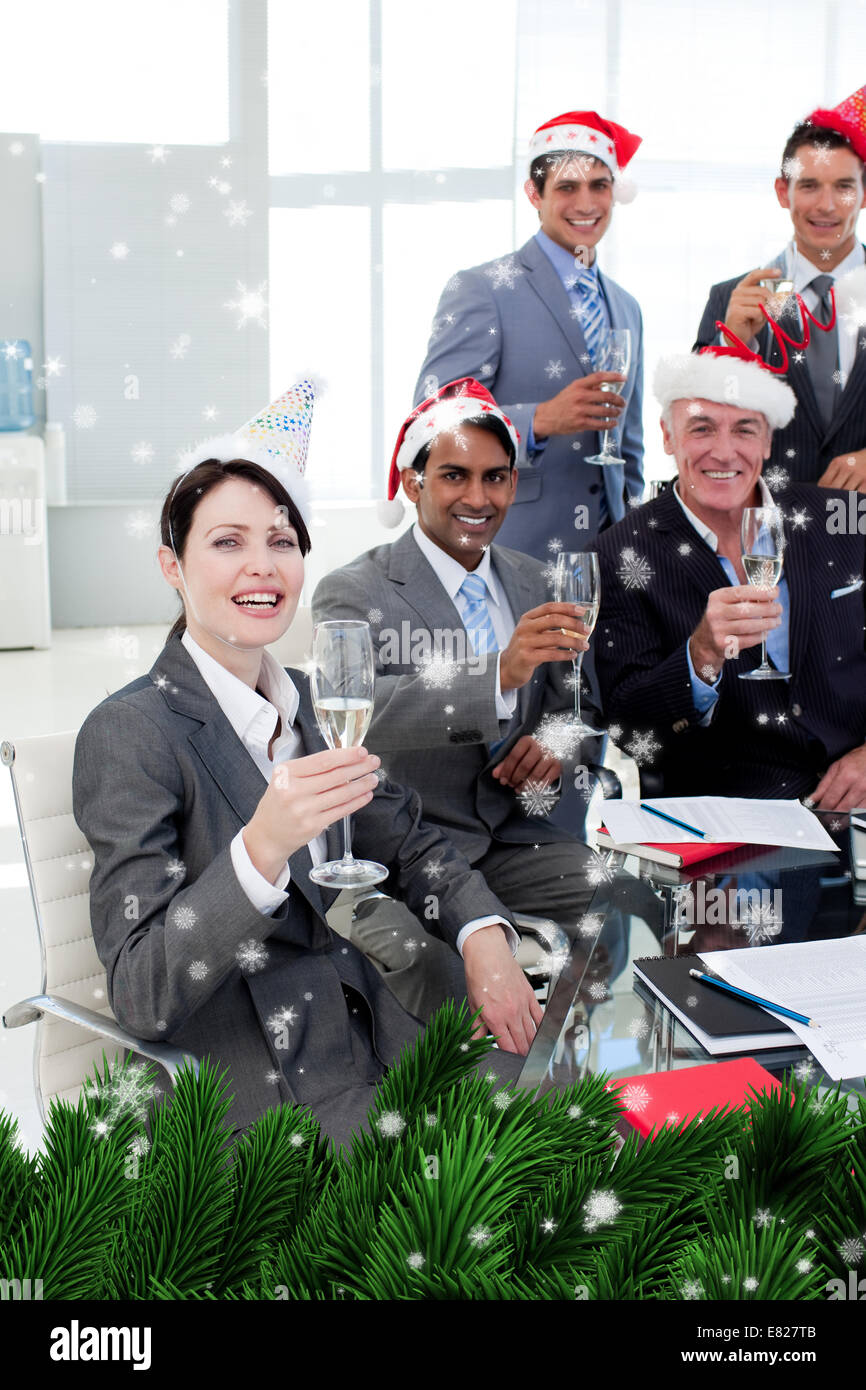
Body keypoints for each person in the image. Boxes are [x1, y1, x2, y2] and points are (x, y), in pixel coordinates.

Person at [72, 385, 534, 1152]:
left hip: (393, 1041)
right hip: (272, 1100)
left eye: (282, 541)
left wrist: (484, 933)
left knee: (598, 1116)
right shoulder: (131, 732)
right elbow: (143, 991)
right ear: (173, 565)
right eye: (227, 542)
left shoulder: (321, 706)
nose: (262, 566)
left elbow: (411, 844)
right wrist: (259, 850)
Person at [314, 378, 603, 979]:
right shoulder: (354, 591)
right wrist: (497, 673)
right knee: (437, 979)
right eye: (454, 475)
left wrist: (555, 742)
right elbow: (356, 715)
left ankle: (577, 1070)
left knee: (621, 912)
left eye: (494, 477)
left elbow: (581, 701)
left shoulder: (538, 581)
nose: (478, 496)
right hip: (408, 850)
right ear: (413, 482)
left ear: (514, 484)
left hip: (518, 839)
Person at [593, 346, 866, 808]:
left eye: (744, 429)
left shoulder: (845, 519)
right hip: (737, 816)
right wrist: (700, 656)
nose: (724, 451)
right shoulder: (621, 552)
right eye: (701, 429)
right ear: (667, 436)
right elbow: (632, 732)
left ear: (768, 441)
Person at [408, 110, 644, 560]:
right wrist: (539, 420)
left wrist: (633, 531)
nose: (586, 203)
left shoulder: (627, 306)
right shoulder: (483, 289)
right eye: (567, 187)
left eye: (599, 185)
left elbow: (628, 443)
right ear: (534, 194)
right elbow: (431, 414)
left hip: (610, 553)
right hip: (515, 546)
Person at [694, 84, 866, 490]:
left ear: (863, 194)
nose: (826, 205)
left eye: (843, 186)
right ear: (782, 193)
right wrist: (734, 342)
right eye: (808, 185)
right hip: (768, 536)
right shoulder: (731, 298)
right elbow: (695, 427)